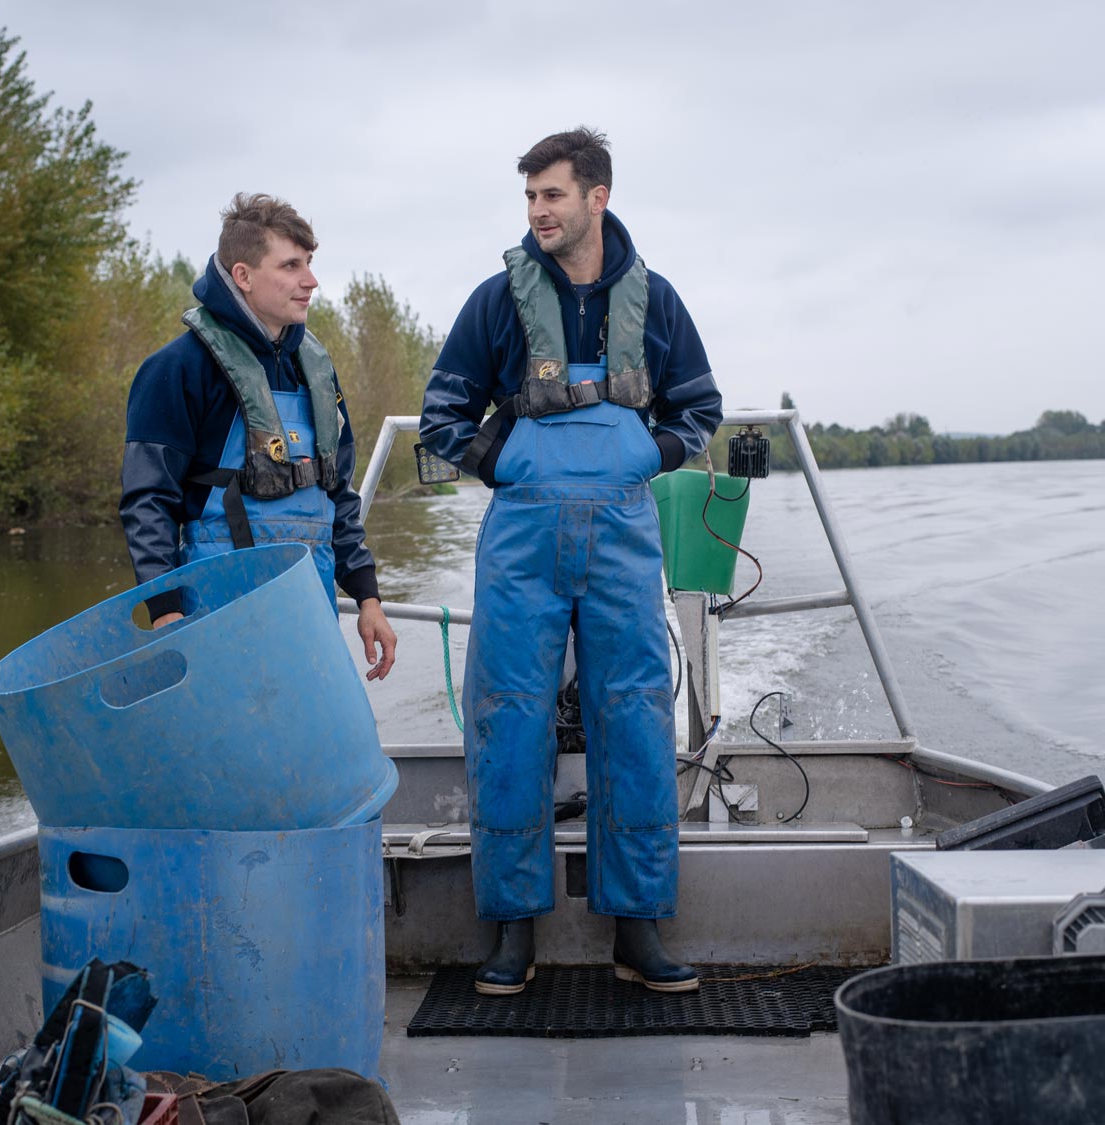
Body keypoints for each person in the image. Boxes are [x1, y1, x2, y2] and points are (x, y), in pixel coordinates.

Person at [419, 128, 722, 995]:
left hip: (625, 534)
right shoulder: (495, 301)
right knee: (510, 719)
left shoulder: (656, 300)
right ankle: (513, 930)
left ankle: (639, 930)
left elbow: (699, 405)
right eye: (529, 198)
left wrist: (647, 455)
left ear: (598, 198)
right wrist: (507, 462)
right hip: (523, 538)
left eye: (552, 194)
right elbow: (443, 414)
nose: (537, 211)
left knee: (633, 715)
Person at [120, 193, 396, 680]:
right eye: (290, 266)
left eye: (309, 264)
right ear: (243, 275)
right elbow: (148, 502)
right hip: (218, 612)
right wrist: (164, 609)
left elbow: (337, 494)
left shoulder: (317, 371)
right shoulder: (177, 368)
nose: (310, 281)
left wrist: (368, 597)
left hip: (312, 605)